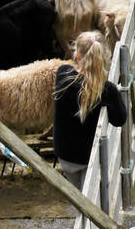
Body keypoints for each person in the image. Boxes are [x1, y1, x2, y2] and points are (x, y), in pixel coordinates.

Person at [53, 31, 128, 186]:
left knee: (79, 196)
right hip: (89, 158)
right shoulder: (107, 90)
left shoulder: (63, 75)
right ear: (105, 56)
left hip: (65, 155)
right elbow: (120, 119)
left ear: (77, 56)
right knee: (91, 197)